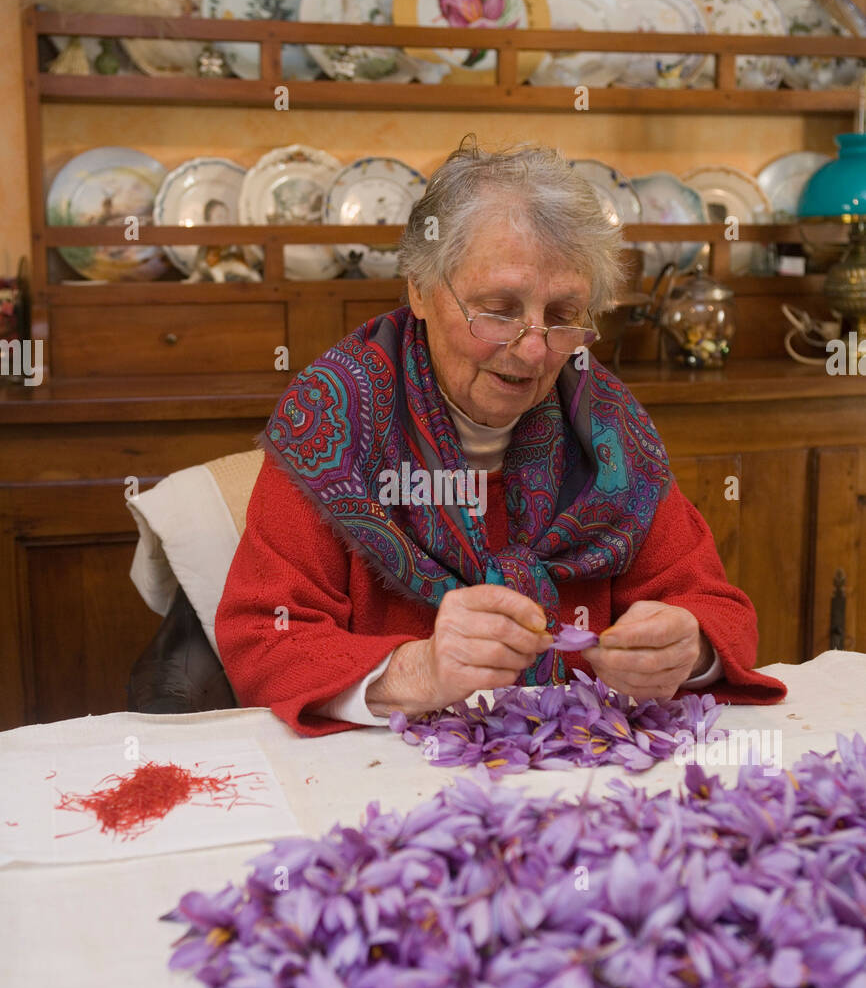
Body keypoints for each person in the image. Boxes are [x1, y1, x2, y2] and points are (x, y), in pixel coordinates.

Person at [215, 137, 787, 736]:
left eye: (564, 316)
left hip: (584, 780)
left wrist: (689, 651)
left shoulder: (608, 431)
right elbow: (262, 640)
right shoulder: (332, 425)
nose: (536, 349)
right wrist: (416, 671)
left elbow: (719, 609)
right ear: (419, 288)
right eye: (500, 309)